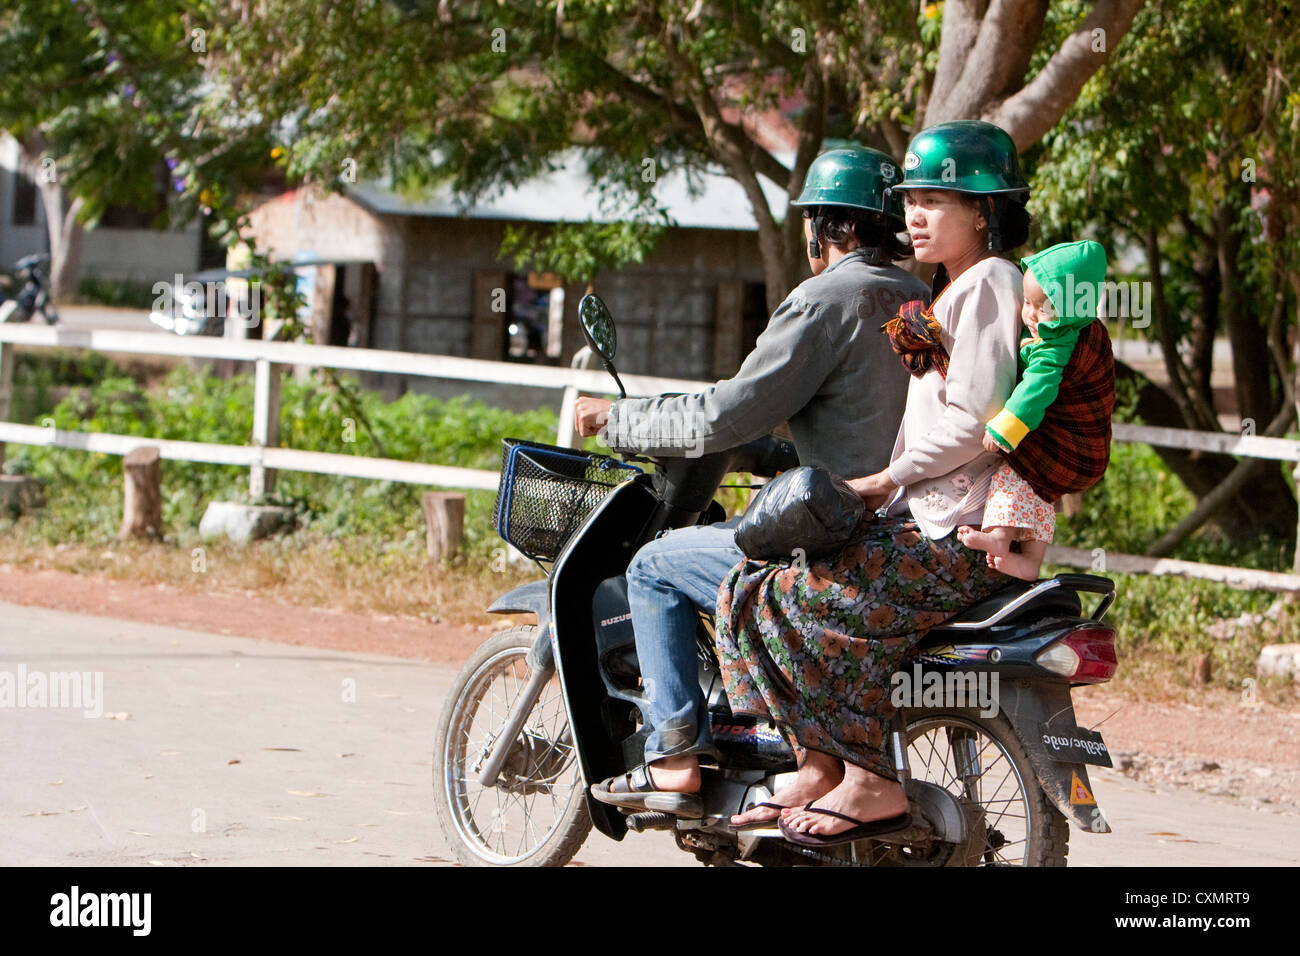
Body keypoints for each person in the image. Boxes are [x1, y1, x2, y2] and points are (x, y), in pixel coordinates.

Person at [574, 146, 931, 817]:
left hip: (836, 531)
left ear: (831, 225)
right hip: (908, 526)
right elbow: (876, 411)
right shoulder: (914, 299)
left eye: (811, 220)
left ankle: (673, 754)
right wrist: (769, 452)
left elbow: (722, 414)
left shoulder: (826, 300)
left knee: (653, 566)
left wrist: (616, 419)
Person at [716, 121, 1031, 846]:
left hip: (957, 533)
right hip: (927, 518)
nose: (915, 215)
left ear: (983, 212)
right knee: (748, 586)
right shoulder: (947, 288)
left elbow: (978, 424)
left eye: (937, 201)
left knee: (805, 598)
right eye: (912, 199)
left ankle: (871, 780)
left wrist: (883, 480)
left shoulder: (988, 283)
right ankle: (816, 763)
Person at [957, 240, 1117, 579]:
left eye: (1043, 308)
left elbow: (1037, 389)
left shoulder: (1058, 346)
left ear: (1073, 306)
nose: (1029, 313)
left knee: (1014, 473)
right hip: (1086, 456)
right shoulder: (1080, 327)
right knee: (1041, 488)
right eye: (1027, 302)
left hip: (1072, 448)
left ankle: (1000, 537)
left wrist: (1005, 429)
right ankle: (1030, 562)